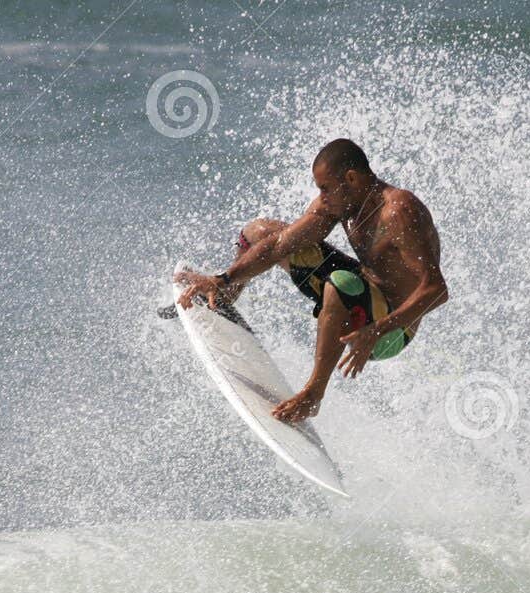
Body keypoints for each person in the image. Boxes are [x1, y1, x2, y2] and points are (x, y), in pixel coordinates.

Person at [175, 139, 449, 424]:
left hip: (391, 329)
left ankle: (313, 395)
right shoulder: (340, 205)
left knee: (340, 283)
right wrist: (223, 278)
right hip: (359, 295)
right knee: (259, 232)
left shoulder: (398, 212)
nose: (322, 196)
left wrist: (376, 331)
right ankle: (225, 294)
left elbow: (436, 290)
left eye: (325, 188)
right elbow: (278, 246)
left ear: (351, 179)